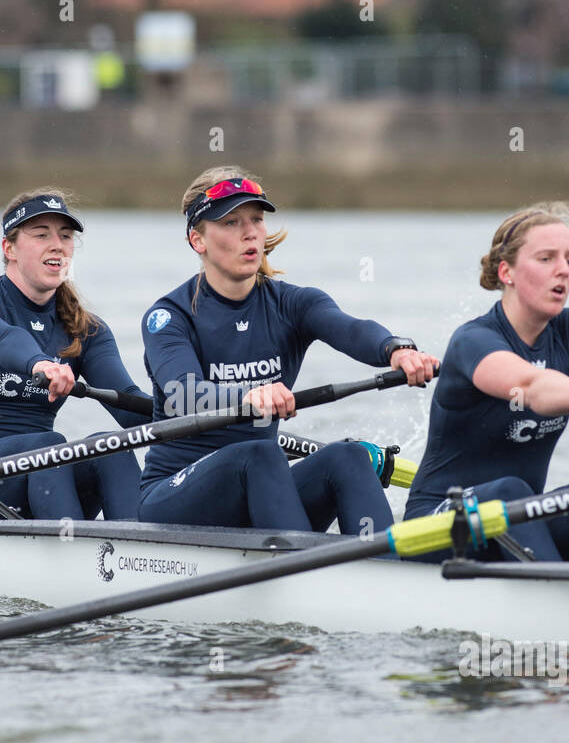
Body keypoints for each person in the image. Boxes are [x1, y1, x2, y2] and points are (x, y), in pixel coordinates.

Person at [138, 166, 437, 534]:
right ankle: (301, 574)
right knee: (260, 453)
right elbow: (183, 393)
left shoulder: (293, 304)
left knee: (350, 456)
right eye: (231, 222)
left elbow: (351, 328)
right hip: (174, 495)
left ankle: (382, 569)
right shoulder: (170, 316)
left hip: (263, 490)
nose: (250, 232)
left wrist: (397, 350)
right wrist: (249, 395)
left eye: (256, 219)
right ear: (198, 240)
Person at [403, 202, 569, 563]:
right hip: (436, 522)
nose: (563, 271)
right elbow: (532, 388)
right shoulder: (473, 341)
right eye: (547, 259)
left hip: (517, 521)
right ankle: (549, 599)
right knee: (508, 491)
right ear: (507, 272)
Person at [0, 188, 147, 520]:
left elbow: (131, 405)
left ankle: (139, 557)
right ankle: (67, 560)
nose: (57, 244)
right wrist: (39, 363)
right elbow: (3, 339)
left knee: (110, 446)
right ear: (8, 248)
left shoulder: (86, 330)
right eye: (41, 235)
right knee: (47, 445)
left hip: (38, 477)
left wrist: (201, 408)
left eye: (66, 236)